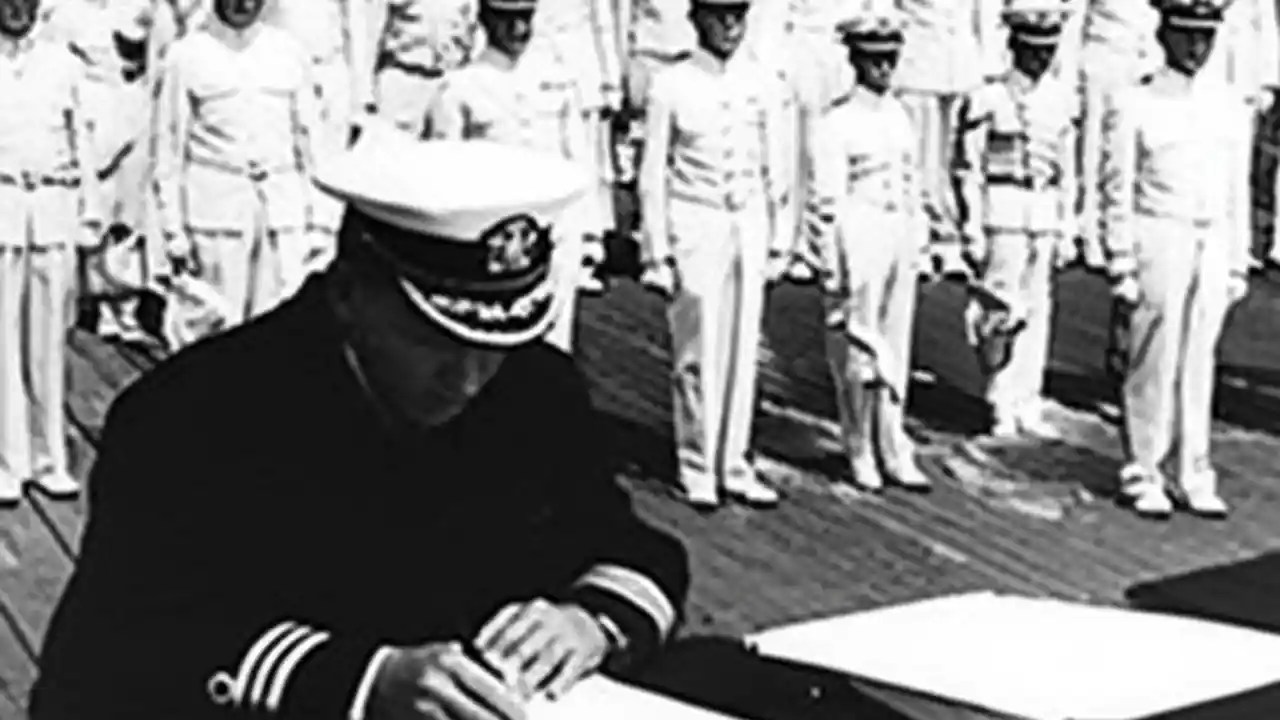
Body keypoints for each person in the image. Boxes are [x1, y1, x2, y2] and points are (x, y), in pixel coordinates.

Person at [31, 135, 690, 720]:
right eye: (435, 342)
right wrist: (363, 683)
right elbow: (126, 644)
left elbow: (629, 546)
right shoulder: (192, 417)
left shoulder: (534, 389)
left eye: (490, 348)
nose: (467, 380)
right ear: (348, 293)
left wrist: (591, 621)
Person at [638, 0, 790, 510]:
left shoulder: (763, 84)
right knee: (696, 351)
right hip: (695, 220)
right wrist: (656, 251)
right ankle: (697, 463)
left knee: (743, 347)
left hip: (747, 220)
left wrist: (780, 239)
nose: (729, 26)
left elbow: (778, 168)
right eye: (719, 15)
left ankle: (735, 461)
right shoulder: (671, 85)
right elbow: (652, 174)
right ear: (697, 19)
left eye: (737, 15)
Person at [1099, 0, 1248, 520]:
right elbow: (1117, 188)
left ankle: (1194, 471)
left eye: (1206, 37)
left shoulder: (1228, 106)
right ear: (1164, 34)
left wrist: (1237, 260)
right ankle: (1143, 469)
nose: (1197, 48)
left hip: (1210, 237)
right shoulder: (1135, 103)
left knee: (1199, 362)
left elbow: (1235, 191)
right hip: (1157, 232)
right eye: (1187, 36)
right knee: (1151, 358)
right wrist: (1119, 259)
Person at [804, 0, 931, 493]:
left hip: (896, 228)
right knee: (858, 349)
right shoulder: (836, 122)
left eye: (889, 59)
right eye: (874, 59)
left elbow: (912, 180)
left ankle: (893, 443)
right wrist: (831, 265)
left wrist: (917, 238)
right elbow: (826, 202)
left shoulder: (900, 114)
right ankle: (858, 445)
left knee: (896, 344)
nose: (883, 68)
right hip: (857, 233)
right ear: (855, 61)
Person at [424, 0, 594, 353]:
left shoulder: (555, 79)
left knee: (556, 343)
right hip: (495, 238)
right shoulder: (461, 88)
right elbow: (443, 177)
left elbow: (578, 160)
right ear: (486, 19)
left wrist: (583, 230)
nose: (518, 30)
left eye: (524, 18)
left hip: (555, 229)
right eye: (506, 20)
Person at [151, 0, 321, 344]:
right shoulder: (187, 56)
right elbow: (168, 153)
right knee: (217, 331)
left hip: (279, 213)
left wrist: (319, 221)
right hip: (216, 213)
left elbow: (311, 142)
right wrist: (173, 232)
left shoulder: (288, 52)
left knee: (278, 330)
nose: (243, 3)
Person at [954, 0, 1077, 439]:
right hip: (1001, 210)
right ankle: (998, 395)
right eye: (1032, 49)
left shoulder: (1061, 100)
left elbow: (1067, 170)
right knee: (999, 308)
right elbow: (968, 167)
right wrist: (971, 225)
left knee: (1038, 308)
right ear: (1014, 47)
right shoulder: (989, 97)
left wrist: (1066, 226)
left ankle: (1028, 397)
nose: (1041, 58)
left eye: (1048, 49)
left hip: (1041, 211)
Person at [0, 0, 102, 506]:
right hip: (2, 207)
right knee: (1, 340)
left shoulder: (63, 63)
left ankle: (49, 457)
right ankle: (7, 460)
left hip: (53, 208)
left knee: (46, 341)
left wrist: (91, 210)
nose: (16, 7)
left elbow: (81, 138)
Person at [895, 0, 1005, 277]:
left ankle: (952, 237)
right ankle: (917, 241)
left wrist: (989, 71)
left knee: (960, 161)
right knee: (918, 163)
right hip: (916, 63)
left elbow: (985, 12)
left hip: (962, 65)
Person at [268, 0, 376, 276]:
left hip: (330, 69)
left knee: (329, 162)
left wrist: (361, 97)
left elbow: (356, 27)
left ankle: (324, 247)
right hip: (281, 70)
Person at [527, 0, 623, 293]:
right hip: (535, 65)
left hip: (581, 72)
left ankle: (586, 250)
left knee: (585, 166)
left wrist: (611, 81)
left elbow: (603, 23)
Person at [1076, 0, 1162, 270]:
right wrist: (1070, 73)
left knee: (1121, 154)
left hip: (1134, 61)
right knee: (1089, 153)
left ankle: (1116, 233)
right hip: (1099, 56)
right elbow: (1078, 15)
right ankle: (1087, 228)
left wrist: (1151, 59)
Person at [376, 0, 480, 137]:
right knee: (396, 143)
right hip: (402, 74)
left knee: (449, 144)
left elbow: (473, 30)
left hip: (449, 77)